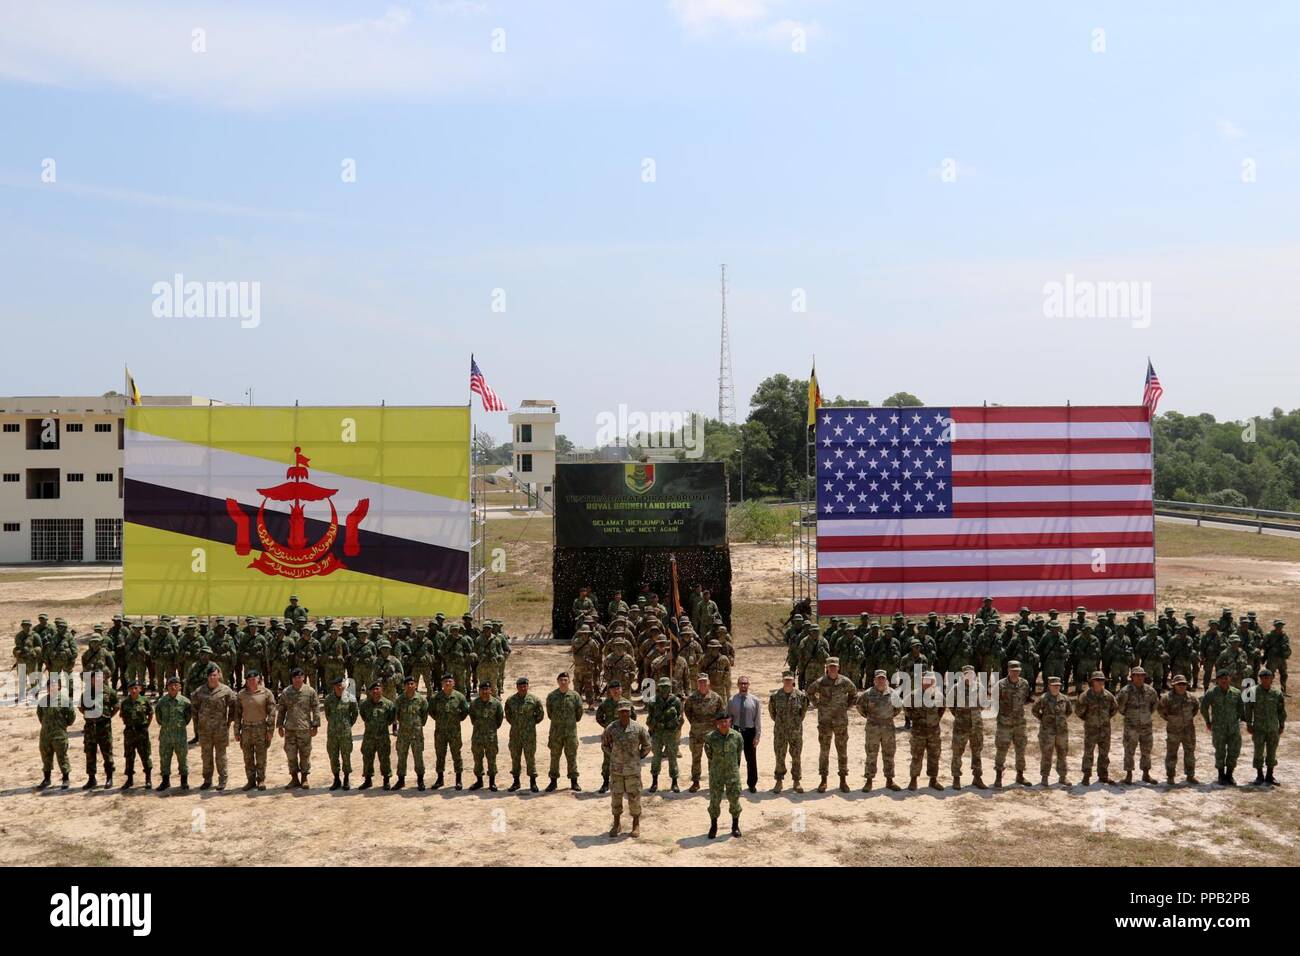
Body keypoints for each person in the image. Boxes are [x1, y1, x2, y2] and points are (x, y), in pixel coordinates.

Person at [806, 657, 858, 792]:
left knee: (842, 751)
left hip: (841, 722)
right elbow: (809, 692)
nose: (833, 668)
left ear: (838, 667)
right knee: (824, 751)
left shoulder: (845, 681)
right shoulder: (821, 682)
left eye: (835, 666)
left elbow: (854, 693)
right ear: (827, 668)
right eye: (830, 666)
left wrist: (847, 706)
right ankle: (823, 780)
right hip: (825, 722)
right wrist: (818, 704)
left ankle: (843, 780)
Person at [601, 700, 651, 838]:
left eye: (626, 711)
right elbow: (604, 744)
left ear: (630, 712)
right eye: (621, 711)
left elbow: (647, 744)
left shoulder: (637, 728)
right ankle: (616, 823)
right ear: (618, 712)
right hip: (616, 769)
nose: (624, 713)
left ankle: (636, 824)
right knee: (616, 796)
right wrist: (613, 755)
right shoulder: (611, 728)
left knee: (634, 796)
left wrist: (637, 757)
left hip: (632, 770)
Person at [192, 663, 237, 791]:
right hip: (204, 730)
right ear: (207, 677)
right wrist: (196, 725)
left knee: (221, 756)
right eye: (210, 675)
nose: (212, 678)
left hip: (220, 730)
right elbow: (194, 708)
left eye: (215, 675)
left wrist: (229, 721)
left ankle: (222, 780)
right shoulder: (199, 691)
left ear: (219, 676)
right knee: (206, 756)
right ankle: (207, 780)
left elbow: (234, 705)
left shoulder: (226, 690)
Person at [276, 667, 320, 789]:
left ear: (303, 678)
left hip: (304, 728)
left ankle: (305, 778)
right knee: (291, 754)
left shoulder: (310, 691)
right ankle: (294, 778)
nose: (297, 680)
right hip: (290, 729)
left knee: (305, 754)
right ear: (292, 678)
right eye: (295, 677)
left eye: (300, 677)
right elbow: (281, 710)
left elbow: (316, 708)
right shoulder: (286, 692)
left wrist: (315, 725)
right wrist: (279, 726)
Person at [1116, 665, 1160, 785]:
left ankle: (1146, 774)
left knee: (1146, 750)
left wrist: (1145, 715)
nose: (1140, 678)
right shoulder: (1125, 691)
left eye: (1142, 676)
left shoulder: (1150, 691)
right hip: (1131, 726)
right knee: (1129, 750)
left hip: (1146, 726)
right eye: (1137, 675)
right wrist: (1131, 716)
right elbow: (1120, 707)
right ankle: (1129, 775)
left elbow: (1154, 705)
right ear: (1132, 677)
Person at [1201, 669, 1245, 786]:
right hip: (1218, 728)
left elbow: (1241, 707)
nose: (1224, 681)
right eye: (1221, 679)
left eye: (1226, 678)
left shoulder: (1236, 692)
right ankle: (1221, 775)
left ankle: (1229, 775)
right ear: (1217, 680)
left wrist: (1237, 719)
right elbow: (1204, 707)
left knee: (1234, 751)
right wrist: (1208, 721)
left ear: (1229, 679)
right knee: (1220, 751)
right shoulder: (1212, 693)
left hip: (1233, 728)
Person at [704, 712, 744, 839]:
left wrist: (733, 767)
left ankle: (735, 826)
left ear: (730, 722)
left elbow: (739, 755)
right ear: (717, 724)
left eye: (726, 721)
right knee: (715, 800)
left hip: (732, 773)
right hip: (717, 774)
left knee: (734, 799)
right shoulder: (710, 737)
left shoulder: (737, 736)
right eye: (721, 722)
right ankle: (714, 826)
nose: (723, 724)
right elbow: (709, 754)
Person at [235, 670, 276, 791]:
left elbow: (272, 713)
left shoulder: (266, 693)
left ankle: (261, 780)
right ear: (246, 681)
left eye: (254, 679)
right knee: (247, 756)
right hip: (246, 728)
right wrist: (237, 731)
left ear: (259, 679)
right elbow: (237, 714)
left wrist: (270, 731)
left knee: (261, 756)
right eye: (249, 680)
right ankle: (250, 780)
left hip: (261, 727)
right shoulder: (241, 695)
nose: (252, 682)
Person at [993, 660, 1032, 788]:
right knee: (1002, 749)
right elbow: (995, 702)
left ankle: (1020, 775)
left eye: (1017, 671)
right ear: (1008, 670)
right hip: (1004, 724)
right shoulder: (1000, 685)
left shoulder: (1024, 684)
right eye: (1013, 670)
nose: (1015, 673)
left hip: (1020, 723)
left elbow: (1025, 699)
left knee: (1021, 749)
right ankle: (998, 776)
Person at [769, 671, 809, 793]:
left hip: (795, 731)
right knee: (780, 756)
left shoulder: (800, 696)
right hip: (780, 731)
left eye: (789, 679)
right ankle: (779, 781)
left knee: (796, 756)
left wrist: (794, 723)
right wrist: (781, 723)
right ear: (782, 680)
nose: (787, 681)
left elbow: (803, 713)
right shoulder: (775, 696)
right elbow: (772, 713)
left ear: (793, 681)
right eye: (785, 679)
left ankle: (796, 781)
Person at [78, 669, 118, 790]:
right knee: (90, 753)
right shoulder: (86, 693)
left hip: (104, 727)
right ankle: (91, 778)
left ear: (104, 679)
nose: (97, 680)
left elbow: (116, 706)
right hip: (90, 727)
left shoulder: (110, 692)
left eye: (100, 678)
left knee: (107, 753)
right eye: (95, 678)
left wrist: (108, 716)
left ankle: (109, 777)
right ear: (91, 680)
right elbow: (81, 707)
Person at [1245, 667, 1286, 786]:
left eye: (1267, 677)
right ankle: (1259, 775)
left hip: (1273, 727)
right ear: (1260, 679)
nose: (1265, 680)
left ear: (1272, 679)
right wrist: (1249, 723)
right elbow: (1248, 709)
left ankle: (1270, 775)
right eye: (1262, 678)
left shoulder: (1277, 693)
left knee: (1272, 751)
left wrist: (1282, 724)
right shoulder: (1252, 692)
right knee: (1258, 751)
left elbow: (1281, 710)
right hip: (1258, 728)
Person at [1157, 674, 1200, 785]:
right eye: (1179, 684)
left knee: (1190, 753)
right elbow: (1161, 711)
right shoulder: (1167, 698)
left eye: (1183, 684)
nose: (1181, 686)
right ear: (1174, 685)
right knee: (1171, 753)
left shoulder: (1192, 698)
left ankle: (1190, 775)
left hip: (1189, 730)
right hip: (1173, 730)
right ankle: (1170, 776)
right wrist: (1172, 719)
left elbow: (1195, 709)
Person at [905, 671, 945, 791]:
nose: (927, 683)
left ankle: (933, 780)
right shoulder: (913, 695)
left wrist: (935, 719)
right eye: (925, 680)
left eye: (930, 681)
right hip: (918, 732)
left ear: (933, 682)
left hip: (934, 731)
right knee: (917, 755)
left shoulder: (938, 696)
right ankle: (913, 780)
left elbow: (942, 709)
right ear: (921, 681)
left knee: (934, 755)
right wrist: (913, 718)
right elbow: (906, 707)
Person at [36, 674, 76, 790]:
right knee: (46, 757)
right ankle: (47, 779)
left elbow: (71, 716)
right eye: (49, 686)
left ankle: (65, 779)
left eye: (54, 685)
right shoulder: (43, 701)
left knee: (62, 756)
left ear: (59, 687)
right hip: (45, 735)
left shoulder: (64, 700)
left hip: (59, 734)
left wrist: (63, 725)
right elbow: (40, 715)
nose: (52, 688)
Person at [504, 676, 544, 792]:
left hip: (529, 735)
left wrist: (530, 724)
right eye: (520, 686)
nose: (522, 688)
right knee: (515, 758)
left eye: (524, 686)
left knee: (530, 758)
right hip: (515, 734)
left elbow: (540, 715)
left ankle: (533, 782)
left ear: (527, 686)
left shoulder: (534, 700)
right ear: (517, 687)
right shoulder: (510, 700)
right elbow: (508, 716)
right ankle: (516, 782)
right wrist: (517, 724)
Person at [545, 671, 584, 791]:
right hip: (556, 732)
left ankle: (574, 781)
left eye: (565, 680)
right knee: (554, 756)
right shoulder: (552, 696)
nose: (563, 682)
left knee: (571, 756)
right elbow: (550, 713)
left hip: (570, 733)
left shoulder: (575, 696)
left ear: (569, 682)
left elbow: (579, 713)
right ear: (557, 681)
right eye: (561, 680)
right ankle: (553, 782)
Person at [949, 665, 987, 790]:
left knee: (977, 751)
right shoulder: (956, 688)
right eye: (967, 674)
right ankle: (956, 778)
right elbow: (950, 704)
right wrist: (959, 715)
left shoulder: (979, 687)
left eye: (971, 674)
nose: (969, 676)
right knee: (957, 752)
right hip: (961, 725)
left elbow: (983, 704)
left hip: (976, 725)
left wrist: (974, 714)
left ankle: (977, 777)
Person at [684, 674, 723, 792]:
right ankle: (696, 782)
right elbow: (687, 712)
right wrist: (696, 724)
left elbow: (721, 714)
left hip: (711, 735)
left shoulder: (716, 698)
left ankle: (713, 782)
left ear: (709, 683)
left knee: (713, 758)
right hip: (696, 734)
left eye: (704, 682)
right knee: (696, 758)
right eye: (700, 682)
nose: (702, 684)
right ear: (697, 683)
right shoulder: (692, 698)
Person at [1031, 676, 1072, 787]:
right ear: (1049, 686)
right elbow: (1034, 710)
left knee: (1062, 754)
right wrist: (1043, 720)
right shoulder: (1043, 698)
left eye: (1058, 686)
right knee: (1046, 755)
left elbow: (1069, 711)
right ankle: (1045, 777)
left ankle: (1062, 777)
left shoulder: (1064, 698)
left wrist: (1061, 721)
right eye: (1054, 686)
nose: (1056, 688)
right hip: (1047, 732)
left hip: (1062, 732)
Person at [595, 679, 633, 793]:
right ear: (610, 691)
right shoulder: (606, 704)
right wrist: (607, 727)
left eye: (617, 689)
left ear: (621, 689)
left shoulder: (627, 703)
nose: (615, 691)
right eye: (613, 689)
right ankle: (606, 782)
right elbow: (599, 717)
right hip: (610, 737)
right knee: (607, 760)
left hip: (624, 737)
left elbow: (633, 718)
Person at [155, 675, 192, 792]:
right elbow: (158, 718)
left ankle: (184, 781)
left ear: (180, 687)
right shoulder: (162, 702)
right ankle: (165, 781)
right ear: (167, 687)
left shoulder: (185, 702)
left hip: (180, 736)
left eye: (176, 685)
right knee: (164, 759)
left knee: (182, 759)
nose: (173, 687)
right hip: (165, 736)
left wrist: (179, 726)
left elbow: (187, 718)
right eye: (170, 685)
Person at [359, 680, 397, 790]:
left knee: (384, 758)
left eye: (377, 689)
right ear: (370, 692)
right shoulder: (365, 704)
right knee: (367, 758)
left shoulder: (388, 704)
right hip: (369, 736)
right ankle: (367, 780)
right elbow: (363, 716)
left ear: (382, 690)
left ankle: (386, 780)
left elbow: (391, 719)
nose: (375, 691)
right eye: (373, 689)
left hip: (383, 736)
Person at [393, 675, 430, 790]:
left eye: (412, 684)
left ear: (416, 685)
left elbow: (424, 715)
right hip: (403, 733)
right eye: (407, 684)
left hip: (417, 734)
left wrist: (418, 725)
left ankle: (420, 780)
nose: (410, 686)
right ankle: (401, 780)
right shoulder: (399, 700)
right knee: (401, 756)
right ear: (404, 686)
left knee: (418, 757)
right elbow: (396, 714)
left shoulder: (421, 700)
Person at [646, 677, 683, 793]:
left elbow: (681, 718)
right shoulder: (653, 701)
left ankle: (674, 782)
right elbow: (649, 718)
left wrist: (675, 727)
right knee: (656, 757)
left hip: (670, 733)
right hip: (657, 733)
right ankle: (654, 782)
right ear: (659, 688)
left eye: (667, 687)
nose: (664, 689)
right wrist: (654, 724)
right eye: (662, 687)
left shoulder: (676, 701)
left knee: (672, 757)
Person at [323, 674, 359, 790]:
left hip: (345, 733)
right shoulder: (329, 699)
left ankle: (346, 778)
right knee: (333, 756)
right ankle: (336, 778)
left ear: (344, 685)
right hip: (332, 733)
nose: (339, 687)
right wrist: (334, 724)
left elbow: (355, 713)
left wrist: (348, 724)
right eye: (337, 686)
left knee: (346, 755)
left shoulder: (350, 698)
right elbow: (327, 714)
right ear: (333, 687)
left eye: (341, 685)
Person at [727, 675, 762, 793]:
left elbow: (757, 720)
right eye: (741, 683)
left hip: (750, 732)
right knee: (734, 759)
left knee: (751, 760)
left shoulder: (755, 701)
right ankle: (734, 784)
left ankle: (752, 784)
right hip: (736, 731)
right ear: (737, 685)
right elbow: (728, 719)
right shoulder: (732, 700)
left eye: (745, 683)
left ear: (748, 685)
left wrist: (757, 736)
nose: (743, 685)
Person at [469, 680, 504, 791]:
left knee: (492, 759)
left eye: (487, 689)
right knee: (477, 759)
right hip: (477, 736)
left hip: (491, 737)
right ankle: (479, 781)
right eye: (482, 689)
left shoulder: (496, 703)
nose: (485, 691)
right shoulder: (474, 703)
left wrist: (491, 729)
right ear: (479, 691)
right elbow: (472, 718)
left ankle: (492, 783)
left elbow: (499, 719)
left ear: (490, 690)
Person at [119, 679, 153, 790]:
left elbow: (150, 714)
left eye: (136, 688)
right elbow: (122, 716)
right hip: (129, 732)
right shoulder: (125, 703)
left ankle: (148, 779)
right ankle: (129, 779)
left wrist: (145, 726)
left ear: (140, 689)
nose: (133, 691)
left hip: (142, 731)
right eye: (131, 689)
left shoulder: (145, 701)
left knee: (145, 755)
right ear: (128, 690)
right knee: (129, 756)